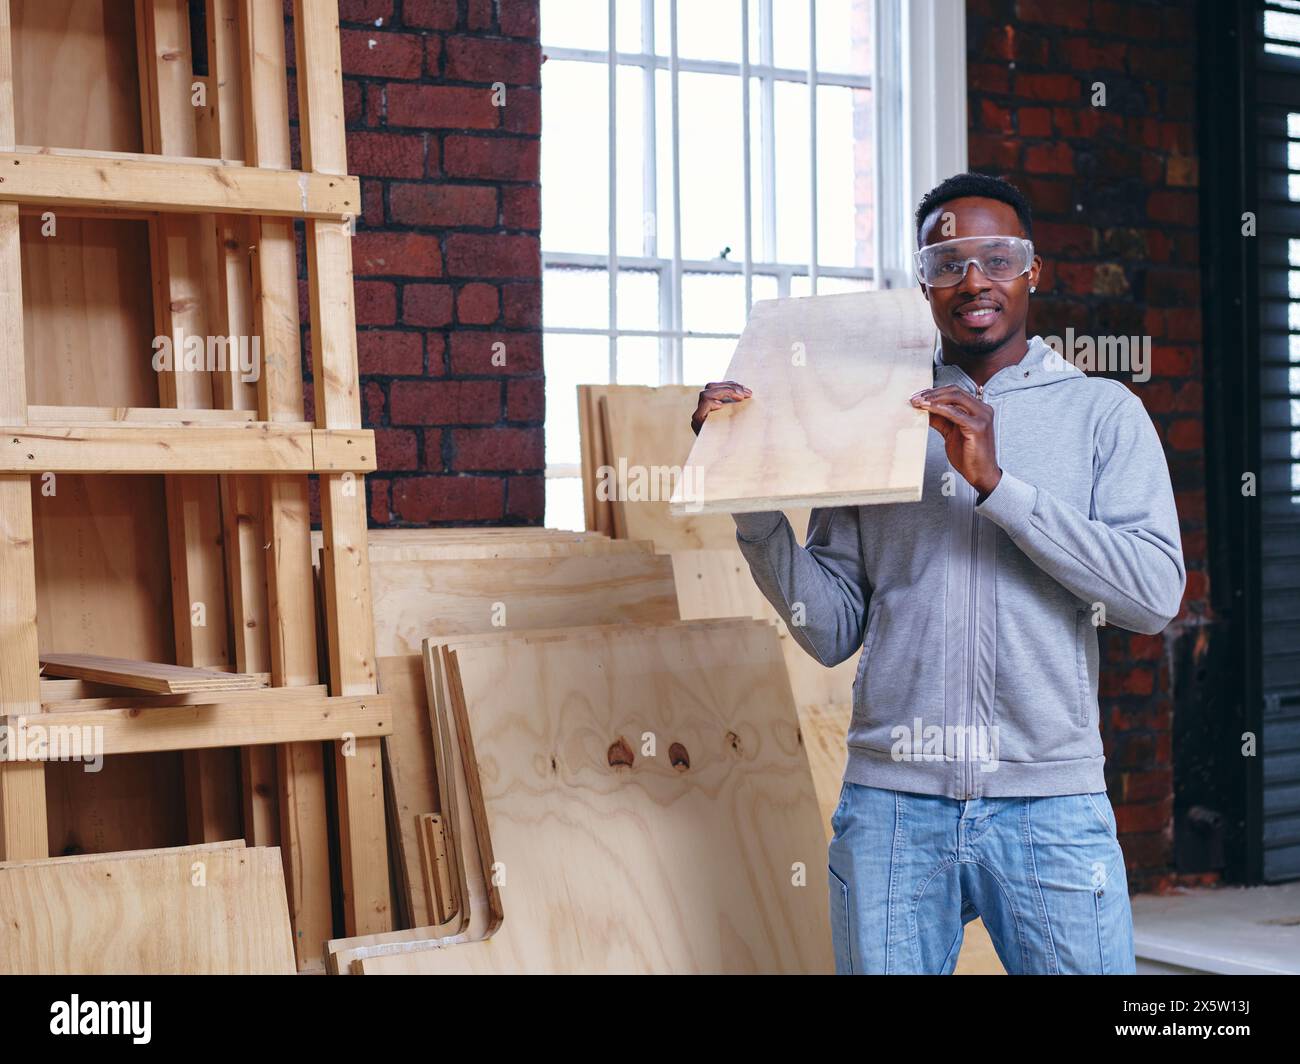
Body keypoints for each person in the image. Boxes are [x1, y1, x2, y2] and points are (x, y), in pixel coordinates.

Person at [689, 172, 1185, 975]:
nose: (973, 280)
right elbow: (832, 629)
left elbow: (1151, 598)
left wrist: (999, 488)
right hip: (892, 807)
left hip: (1049, 806)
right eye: (947, 262)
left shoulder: (1103, 414)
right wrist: (749, 492)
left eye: (997, 257)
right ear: (923, 281)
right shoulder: (873, 419)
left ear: (1033, 272)